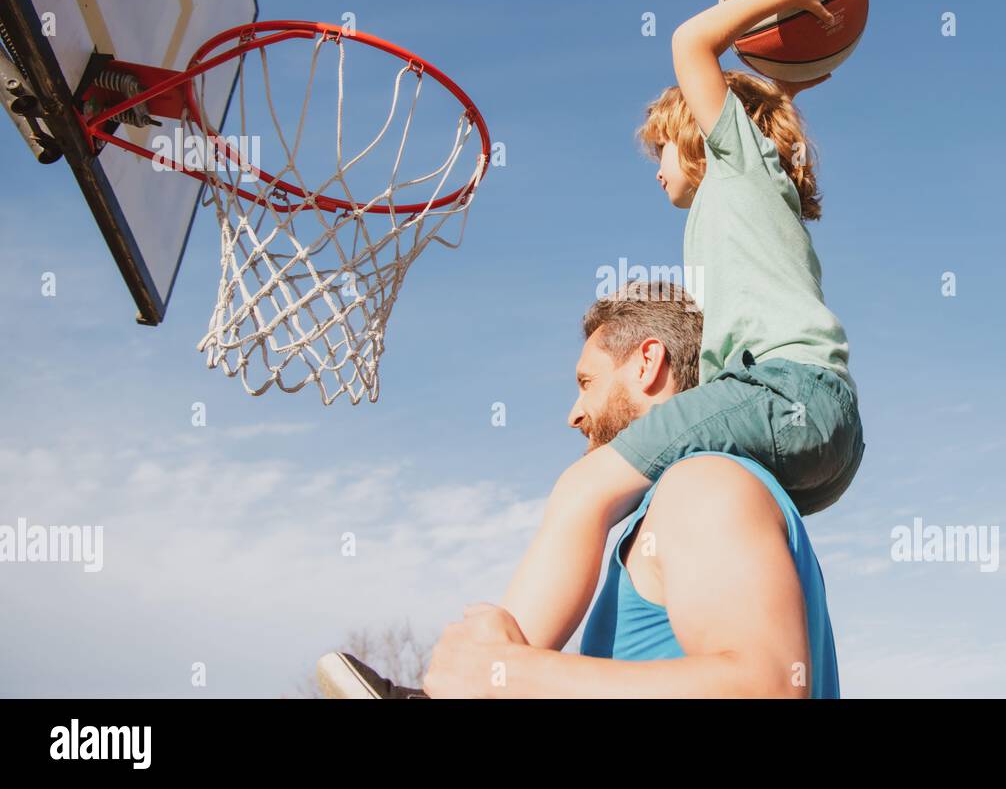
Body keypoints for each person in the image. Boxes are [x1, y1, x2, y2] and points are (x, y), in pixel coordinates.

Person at [496, 0, 865, 655]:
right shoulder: (759, 190)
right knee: (668, 507)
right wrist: (794, 72)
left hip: (786, 392)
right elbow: (768, 108)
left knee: (583, 491)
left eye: (660, 147)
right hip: (823, 441)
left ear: (701, 133)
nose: (656, 168)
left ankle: (486, 675)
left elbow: (691, 41)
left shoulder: (736, 167)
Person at [317, 282, 841, 698]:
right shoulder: (680, 509)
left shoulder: (705, 483)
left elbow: (766, 687)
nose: (573, 413)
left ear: (647, 362)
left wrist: (509, 674)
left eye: (587, 382)